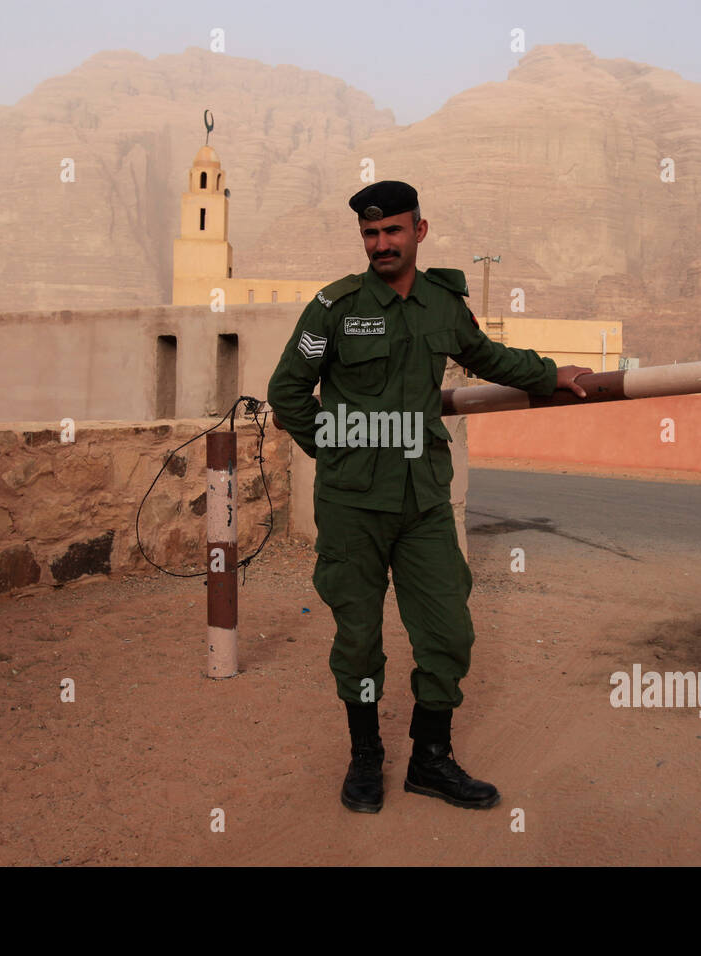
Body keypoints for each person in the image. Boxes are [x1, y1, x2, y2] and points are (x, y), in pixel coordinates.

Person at [266, 180, 591, 813]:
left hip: (423, 504)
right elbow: (287, 393)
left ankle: (430, 760)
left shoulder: (444, 302)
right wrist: (337, 451)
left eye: (392, 231)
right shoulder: (333, 308)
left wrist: (554, 373)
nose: (380, 243)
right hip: (352, 507)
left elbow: (487, 357)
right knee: (358, 638)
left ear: (420, 230)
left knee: (448, 632)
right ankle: (365, 757)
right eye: (370, 233)